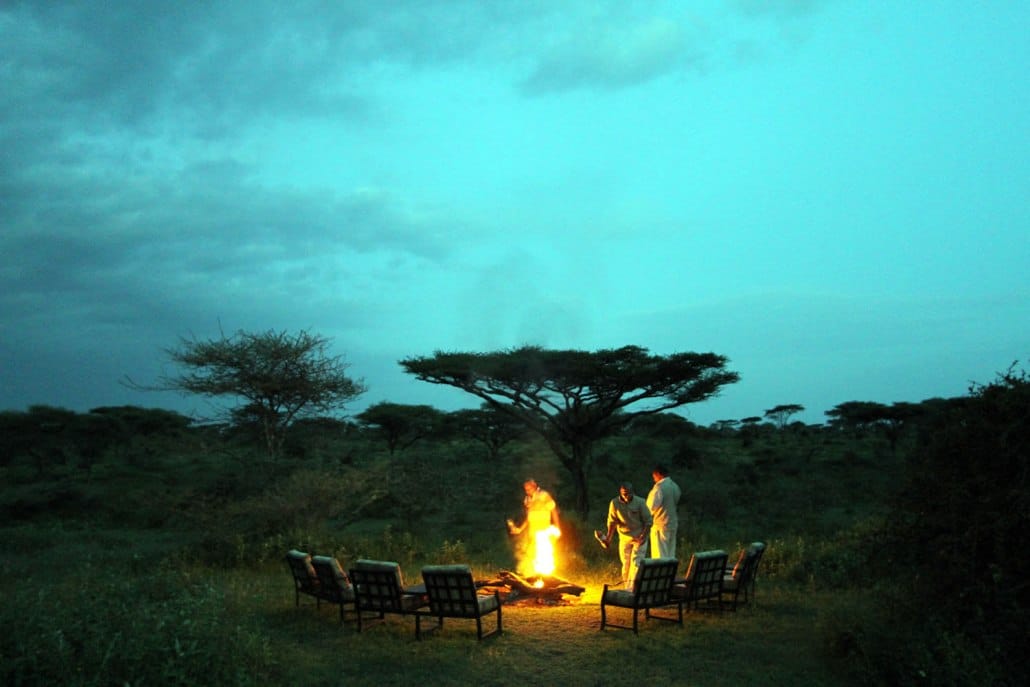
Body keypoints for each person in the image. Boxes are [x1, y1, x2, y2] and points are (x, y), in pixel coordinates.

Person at [597, 482, 652, 589]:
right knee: (626, 564)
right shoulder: (614, 503)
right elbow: (612, 522)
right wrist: (608, 538)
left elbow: (648, 522)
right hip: (624, 538)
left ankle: (632, 590)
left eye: (628, 494)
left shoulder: (640, 502)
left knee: (636, 564)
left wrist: (643, 537)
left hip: (639, 537)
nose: (626, 496)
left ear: (633, 492)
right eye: (624, 494)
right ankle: (627, 588)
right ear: (620, 493)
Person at [507, 479, 561, 574]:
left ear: (535, 487)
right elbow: (528, 516)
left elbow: (553, 510)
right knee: (533, 551)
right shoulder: (527, 499)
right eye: (526, 489)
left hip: (543, 527)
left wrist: (557, 526)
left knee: (544, 550)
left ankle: (546, 574)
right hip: (533, 529)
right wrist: (520, 529)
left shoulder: (544, 495)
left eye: (529, 489)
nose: (527, 491)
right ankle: (534, 574)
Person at [646, 464, 681, 559]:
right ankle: (670, 569)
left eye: (654, 477)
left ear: (658, 474)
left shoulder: (659, 488)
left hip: (660, 525)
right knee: (670, 553)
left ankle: (661, 569)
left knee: (659, 554)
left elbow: (649, 508)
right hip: (673, 524)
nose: (654, 480)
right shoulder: (675, 486)